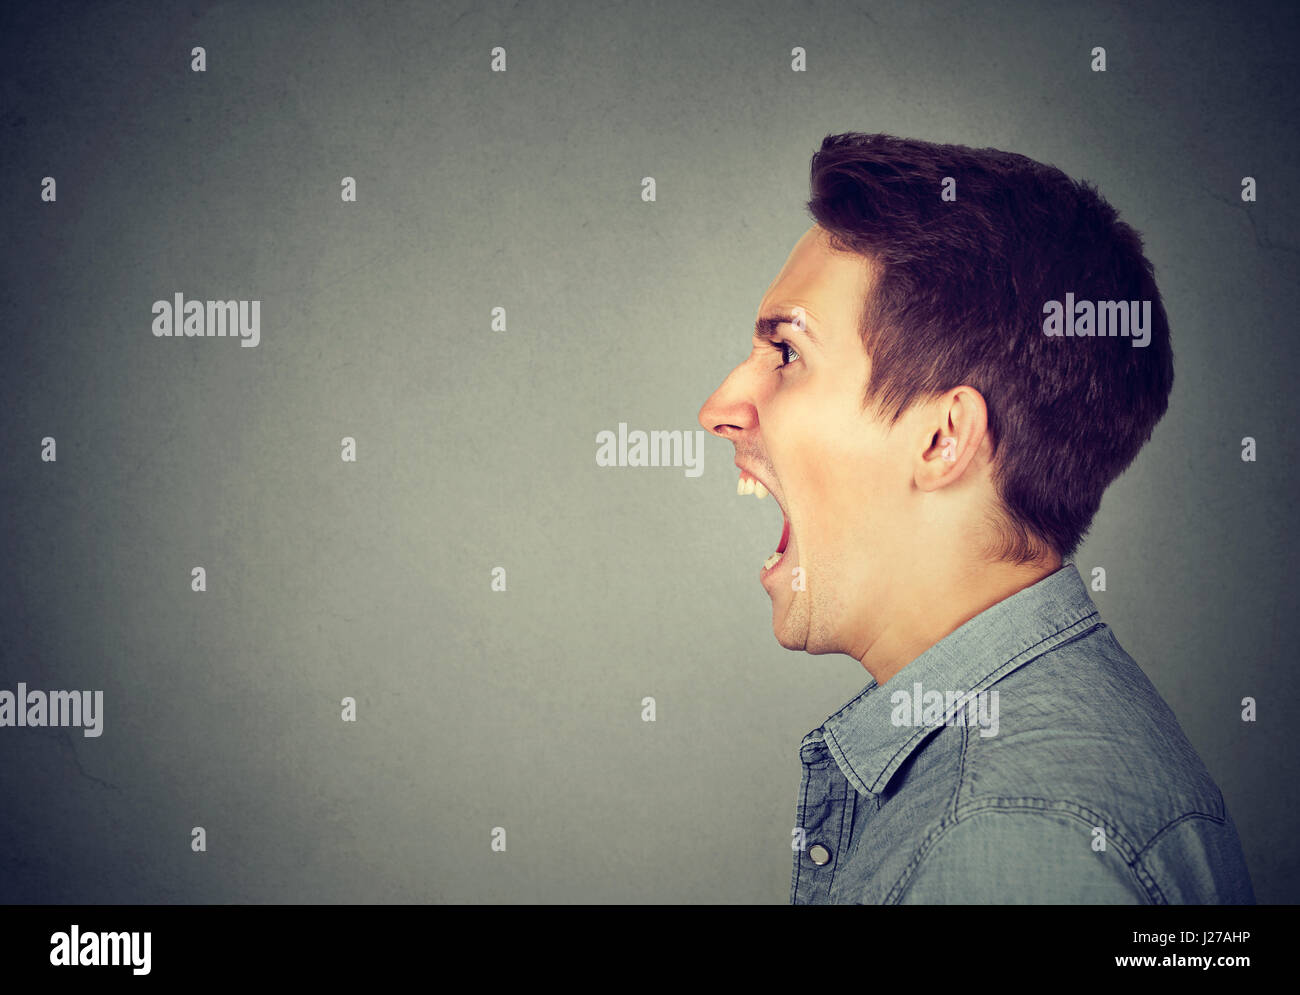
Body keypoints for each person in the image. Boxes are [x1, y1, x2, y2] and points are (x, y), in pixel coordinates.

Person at [697, 133, 1254, 904]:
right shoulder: (1041, 781)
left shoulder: (1008, 837)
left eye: (786, 353)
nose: (719, 408)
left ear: (943, 437)